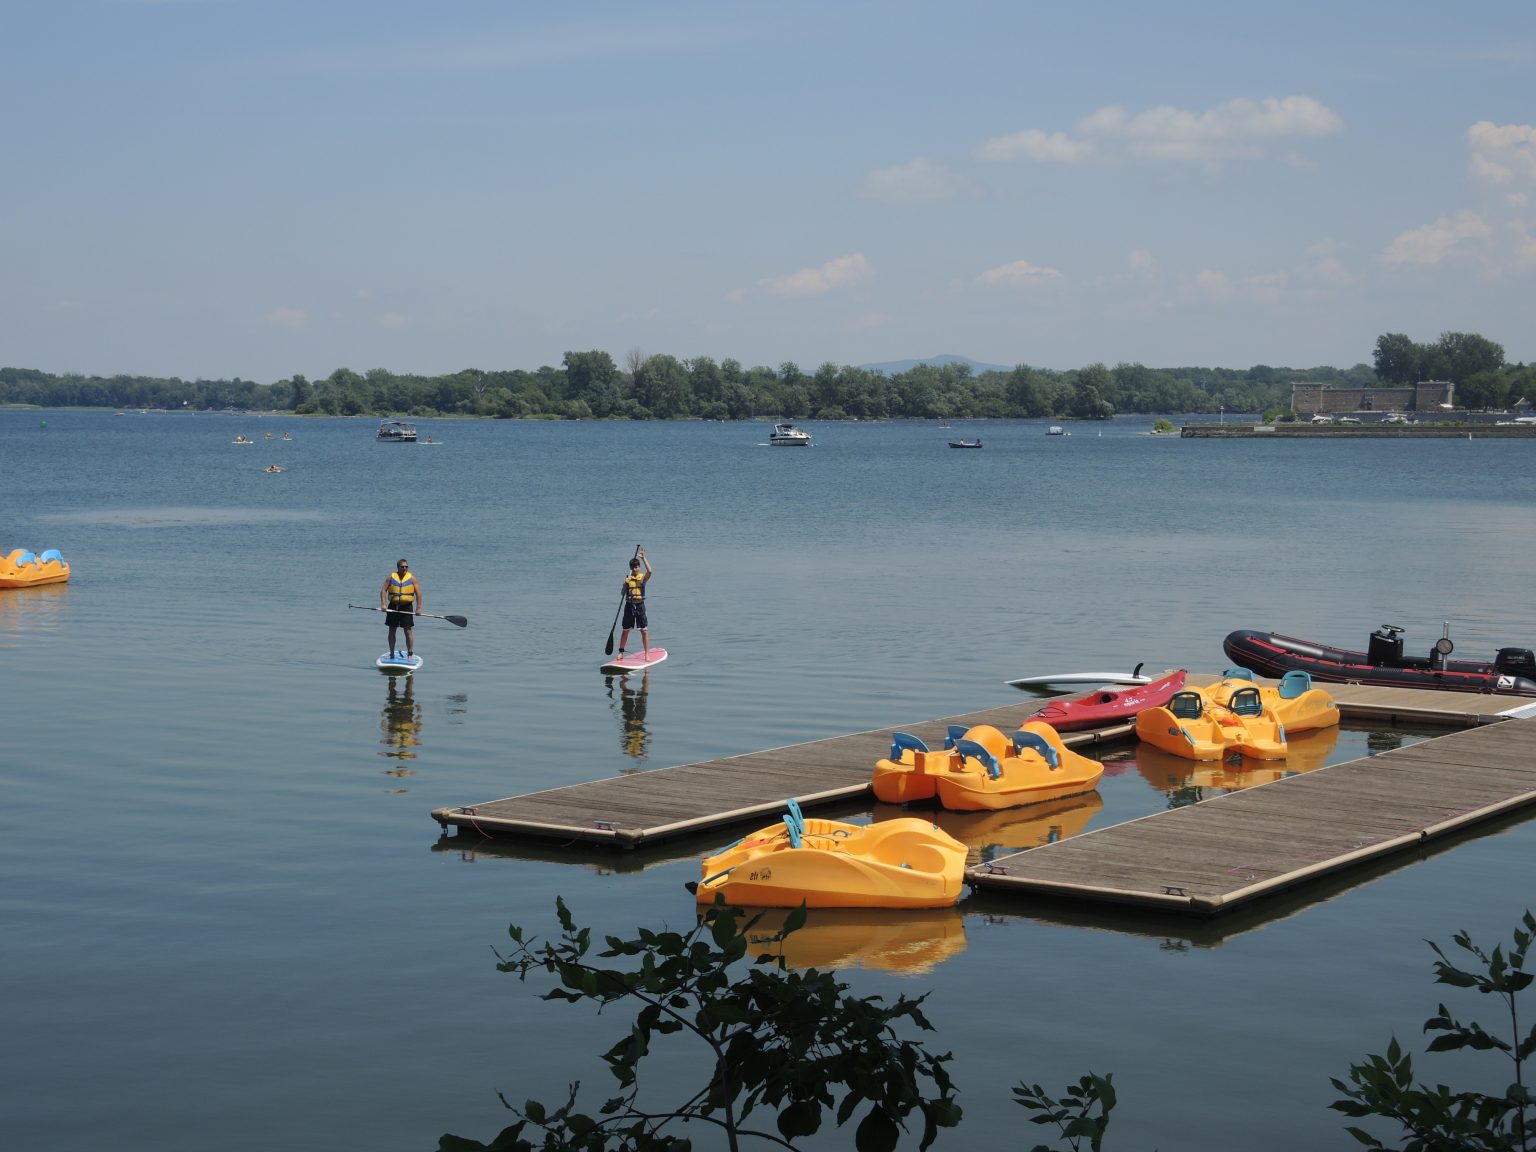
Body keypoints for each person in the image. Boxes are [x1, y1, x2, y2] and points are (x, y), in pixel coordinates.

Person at [380, 558, 423, 659]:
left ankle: (410, 653)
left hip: (406, 607)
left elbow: (418, 594)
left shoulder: (412, 578)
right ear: (398, 567)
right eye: (402, 566)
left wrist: (418, 608)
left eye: (406, 567)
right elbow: (383, 590)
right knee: (392, 630)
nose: (405, 568)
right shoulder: (391, 577)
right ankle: (391, 653)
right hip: (393, 606)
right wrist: (383, 604)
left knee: (408, 630)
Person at [616, 547, 653, 659]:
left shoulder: (642, 578)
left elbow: (650, 571)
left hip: (640, 606)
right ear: (631, 568)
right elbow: (622, 594)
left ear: (639, 567)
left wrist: (643, 558)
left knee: (644, 630)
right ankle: (621, 652)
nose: (635, 569)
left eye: (637, 567)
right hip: (629, 606)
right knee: (625, 630)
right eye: (633, 567)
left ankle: (647, 654)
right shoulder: (628, 578)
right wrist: (624, 585)